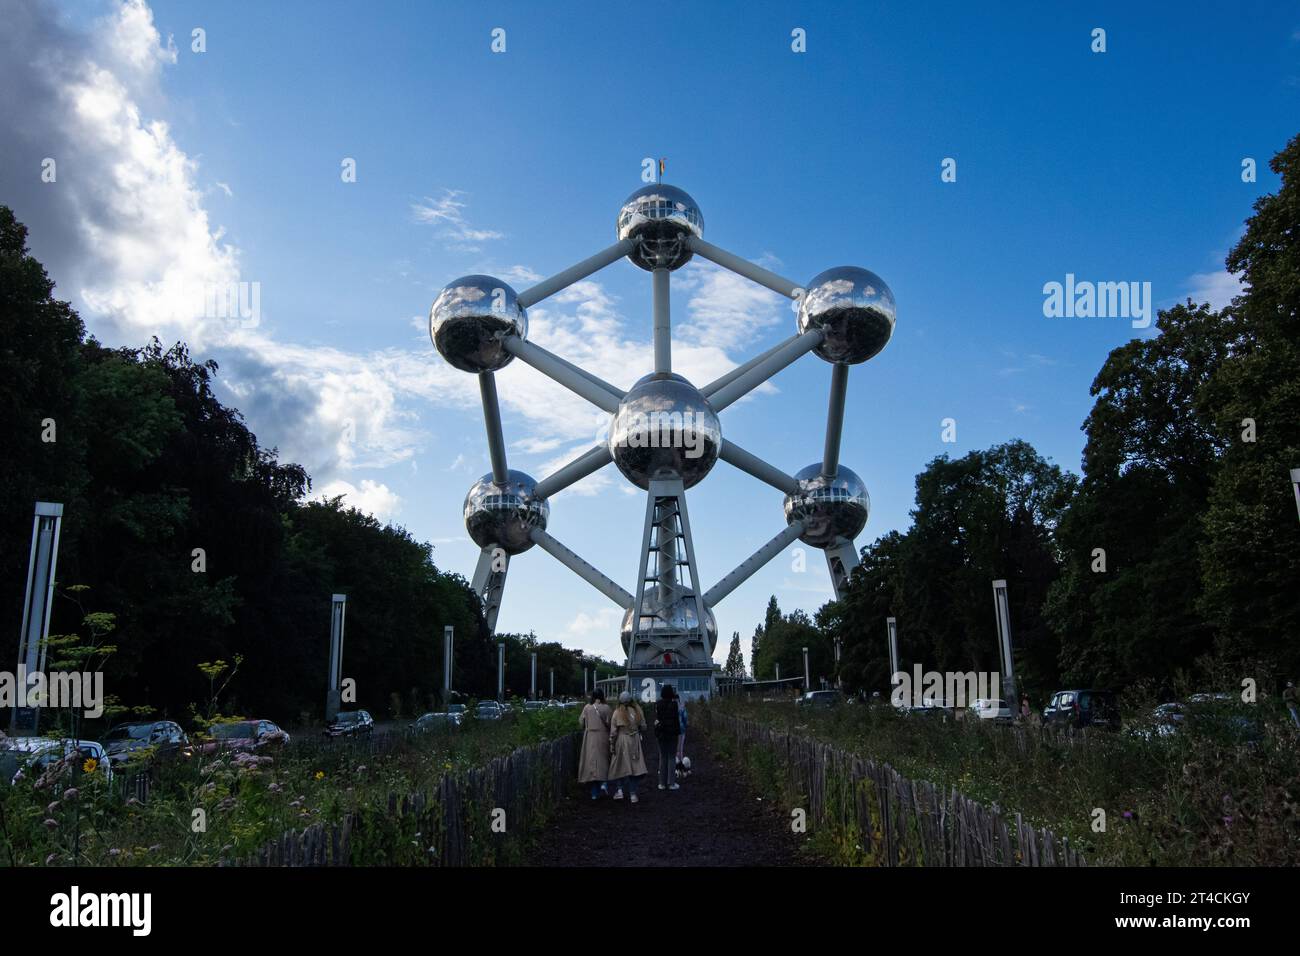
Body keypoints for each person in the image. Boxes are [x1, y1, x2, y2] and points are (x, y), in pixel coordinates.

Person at [608, 691, 647, 803]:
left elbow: (613, 732)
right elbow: (644, 726)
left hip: (621, 740)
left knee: (619, 765)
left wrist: (612, 744)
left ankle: (619, 791)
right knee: (634, 767)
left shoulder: (617, 712)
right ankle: (633, 794)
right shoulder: (637, 711)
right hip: (634, 740)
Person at [578, 689, 611, 800]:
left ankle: (594, 794)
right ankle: (604, 783)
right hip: (603, 736)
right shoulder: (606, 708)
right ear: (602, 696)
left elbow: (581, 722)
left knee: (591, 763)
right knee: (603, 761)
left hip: (590, 737)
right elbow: (610, 723)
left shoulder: (587, 707)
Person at [654, 684, 681, 791]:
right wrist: (678, 733)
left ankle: (662, 783)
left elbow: (657, 719)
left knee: (663, 757)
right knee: (671, 757)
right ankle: (671, 783)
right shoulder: (674, 704)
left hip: (661, 734)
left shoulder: (658, 704)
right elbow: (676, 720)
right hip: (672, 734)